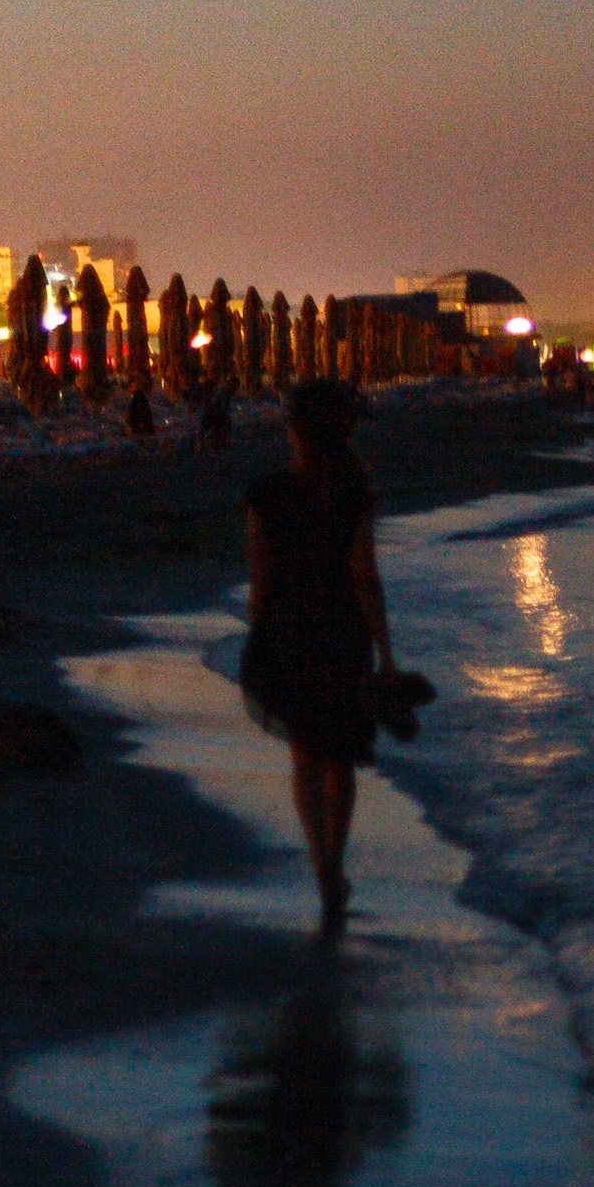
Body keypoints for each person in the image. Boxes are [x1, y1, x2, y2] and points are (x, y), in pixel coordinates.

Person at [241, 378, 396, 929]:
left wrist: (260, 636)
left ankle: (319, 860)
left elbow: (259, 578)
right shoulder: (352, 491)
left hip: (287, 632)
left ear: (295, 430)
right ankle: (334, 857)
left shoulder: (268, 493)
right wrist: (387, 651)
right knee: (340, 756)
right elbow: (364, 576)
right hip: (342, 632)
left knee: (304, 755)